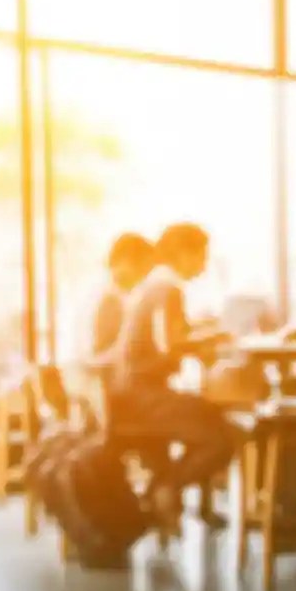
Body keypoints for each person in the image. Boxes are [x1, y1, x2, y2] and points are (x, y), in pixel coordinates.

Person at [109, 223, 237, 528]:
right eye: (201, 256)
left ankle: (165, 488)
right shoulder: (168, 288)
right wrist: (211, 339)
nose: (204, 265)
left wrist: (202, 334)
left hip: (129, 393)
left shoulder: (154, 284)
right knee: (222, 434)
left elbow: (166, 337)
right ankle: (165, 487)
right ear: (183, 252)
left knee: (210, 417)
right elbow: (171, 344)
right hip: (143, 396)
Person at [92, 233, 155, 358]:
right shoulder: (109, 297)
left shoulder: (123, 294)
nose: (145, 275)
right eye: (143, 266)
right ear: (124, 260)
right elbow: (102, 352)